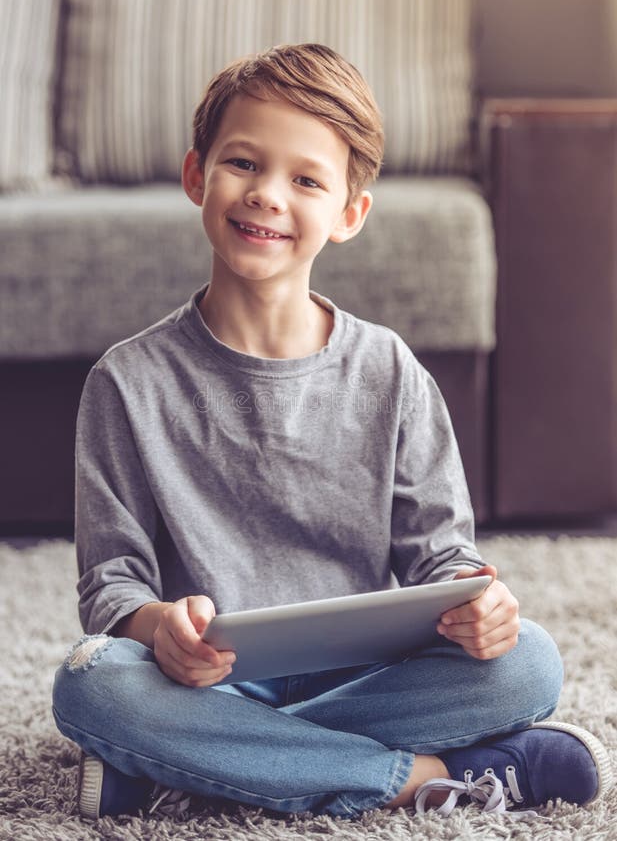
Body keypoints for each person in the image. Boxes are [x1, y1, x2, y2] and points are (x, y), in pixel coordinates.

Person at [52, 43, 613, 822]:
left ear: (349, 214)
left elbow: (441, 557)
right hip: (204, 682)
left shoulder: (390, 371)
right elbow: (111, 585)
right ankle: (425, 780)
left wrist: (481, 605)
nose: (266, 195)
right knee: (93, 681)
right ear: (196, 176)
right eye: (242, 163)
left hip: (364, 675)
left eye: (306, 180)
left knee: (528, 662)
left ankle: (195, 769)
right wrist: (158, 627)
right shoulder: (126, 381)